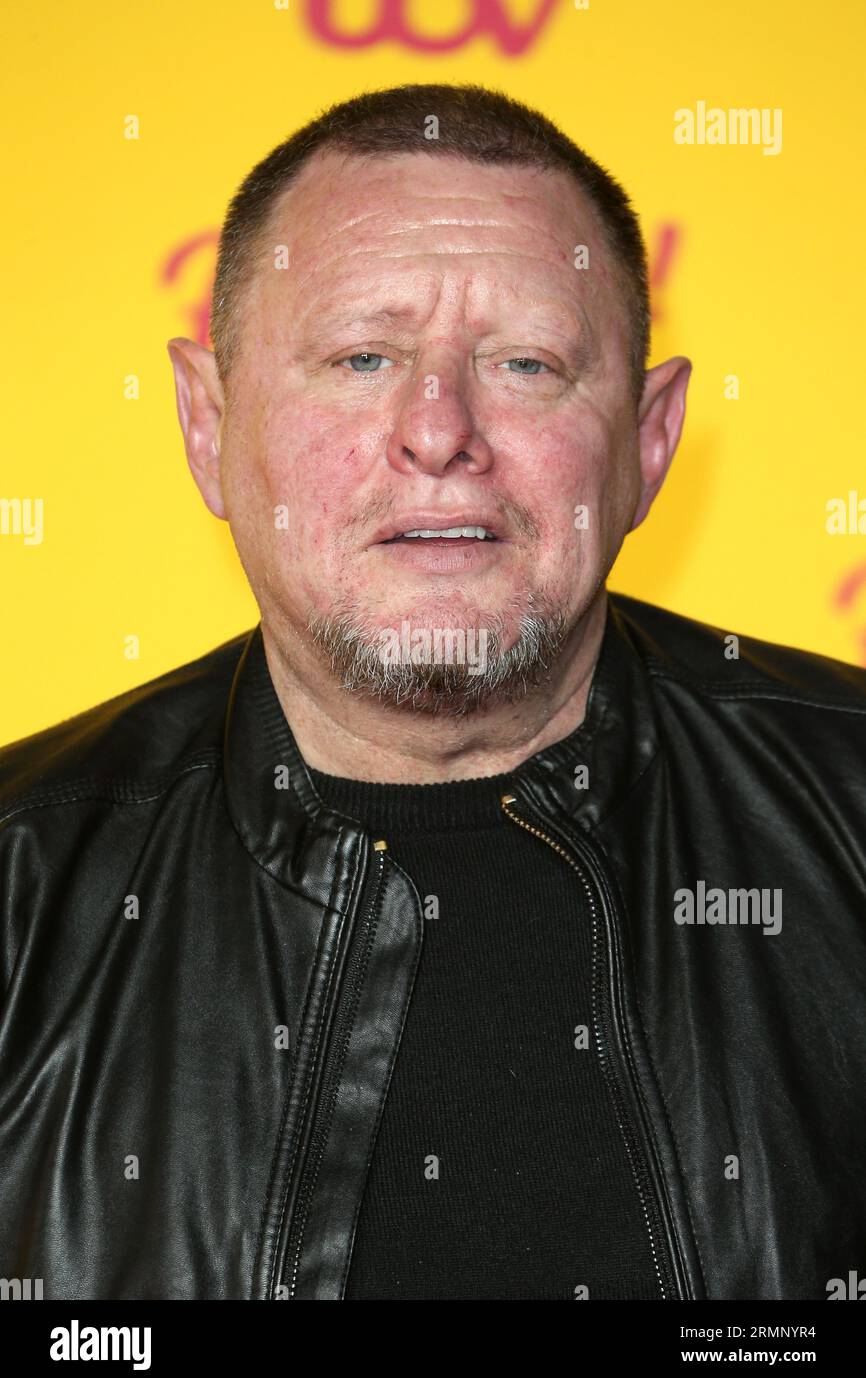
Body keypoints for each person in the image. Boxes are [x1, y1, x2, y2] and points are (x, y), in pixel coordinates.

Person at [1, 82, 864, 1302]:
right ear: (205, 423)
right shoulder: (19, 882)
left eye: (525, 361)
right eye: (362, 356)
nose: (438, 429)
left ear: (649, 440)